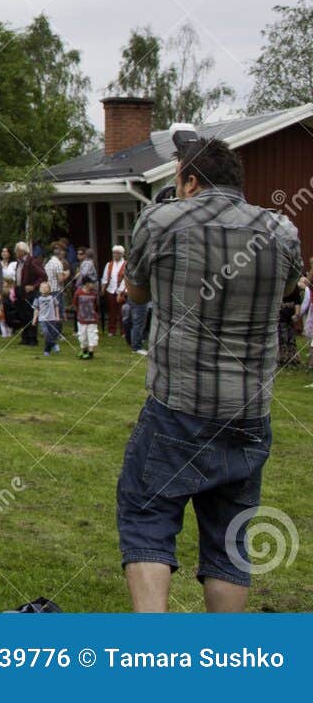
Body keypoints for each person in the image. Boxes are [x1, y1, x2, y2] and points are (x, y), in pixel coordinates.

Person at [117, 136, 302, 613]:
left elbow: (136, 294)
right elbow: (288, 289)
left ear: (192, 181)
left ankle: (150, 647)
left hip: (178, 408)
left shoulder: (160, 221)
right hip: (248, 413)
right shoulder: (281, 230)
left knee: (147, 518)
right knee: (230, 540)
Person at [102, 244, 127, 339]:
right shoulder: (109, 264)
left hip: (122, 291)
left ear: (122, 254)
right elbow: (105, 278)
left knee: (122, 312)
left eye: (117, 253)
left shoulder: (126, 264)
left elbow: (127, 279)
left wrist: (123, 290)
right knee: (112, 312)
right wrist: (103, 289)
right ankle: (111, 330)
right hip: (111, 290)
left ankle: (123, 331)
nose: (115, 255)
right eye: (114, 253)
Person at [31, 281, 61, 356]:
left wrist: (57, 316)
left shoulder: (52, 297)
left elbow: (56, 306)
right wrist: (34, 319)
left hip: (52, 319)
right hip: (42, 319)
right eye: (42, 287)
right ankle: (54, 344)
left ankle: (47, 351)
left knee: (51, 335)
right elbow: (36, 309)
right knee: (46, 333)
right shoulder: (37, 298)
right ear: (39, 289)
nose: (44, 288)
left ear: (49, 289)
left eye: (46, 287)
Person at [73, 276, 100, 360]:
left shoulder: (94, 293)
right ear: (87, 284)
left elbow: (96, 305)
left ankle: (91, 353)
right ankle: (84, 351)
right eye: (92, 283)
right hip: (82, 320)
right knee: (82, 337)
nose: (94, 285)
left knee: (92, 336)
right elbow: (75, 304)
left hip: (92, 320)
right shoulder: (78, 293)